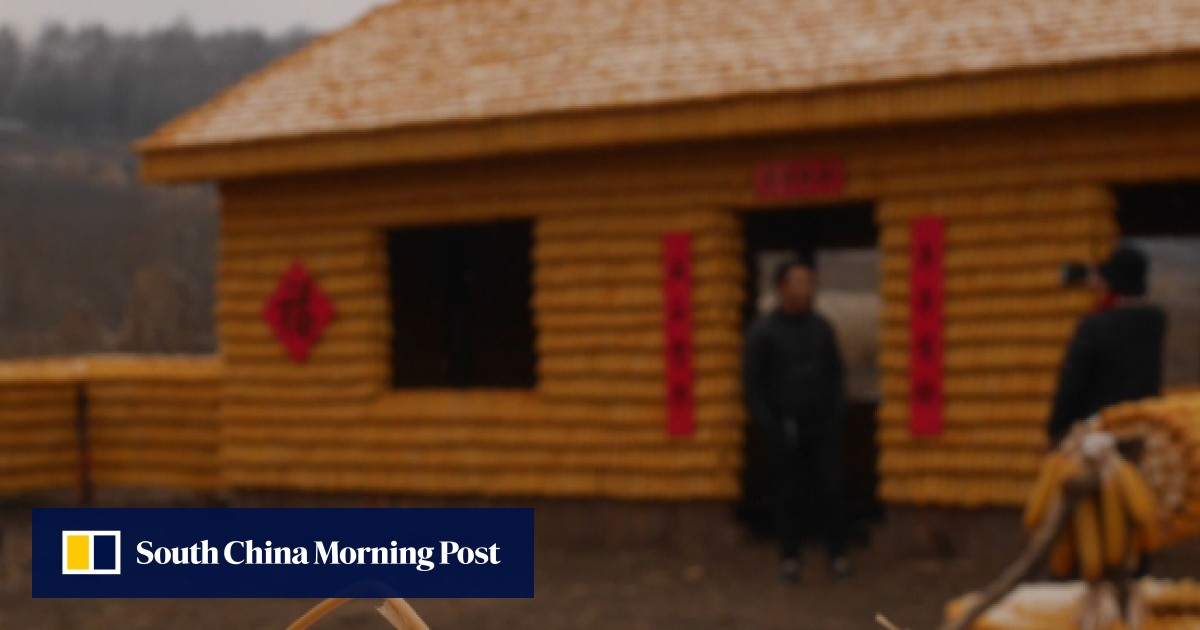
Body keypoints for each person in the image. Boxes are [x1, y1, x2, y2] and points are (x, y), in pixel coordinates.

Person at [743, 259, 850, 582]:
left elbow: (836, 374)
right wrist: (768, 423)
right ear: (781, 288)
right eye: (799, 283)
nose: (806, 290)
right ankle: (790, 558)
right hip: (784, 427)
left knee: (832, 489)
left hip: (823, 425)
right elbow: (754, 383)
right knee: (789, 494)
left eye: (810, 283)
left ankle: (838, 556)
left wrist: (836, 412)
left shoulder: (821, 328)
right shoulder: (764, 332)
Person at [1048, 246, 1166, 446]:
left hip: (1097, 432)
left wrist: (1055, 427)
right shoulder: (1155, 321)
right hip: (1140, 427)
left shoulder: (1096, 326)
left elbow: (1073, 385)